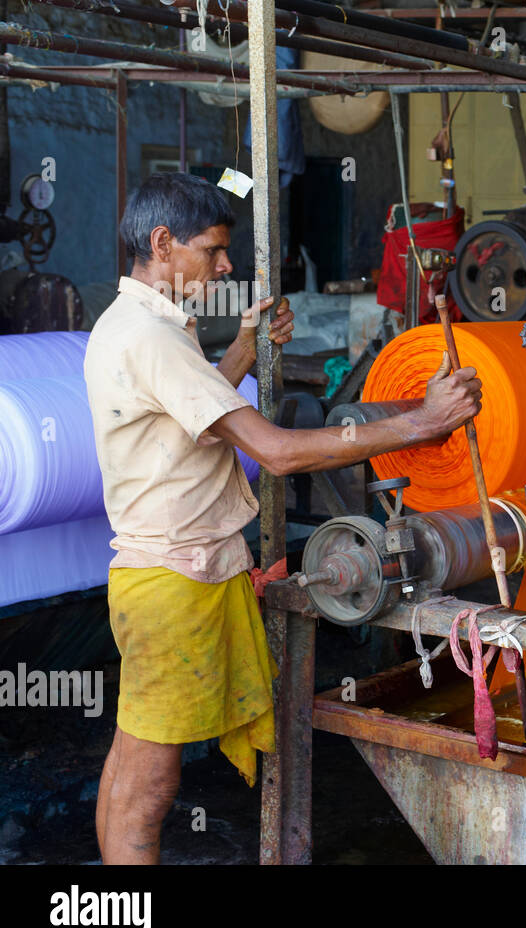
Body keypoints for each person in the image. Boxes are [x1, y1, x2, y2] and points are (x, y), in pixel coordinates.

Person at [84, 172, 482, 864]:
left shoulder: (145, 329)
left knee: (131, 760)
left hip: (169, 578)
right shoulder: (147, 336)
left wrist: (243, 347)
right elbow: (275, 451)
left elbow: (191, 418)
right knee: (150, 784)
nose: (226, 265)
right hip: (171, 588)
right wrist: (420, 422)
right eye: (213, 250)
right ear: (161, 244)